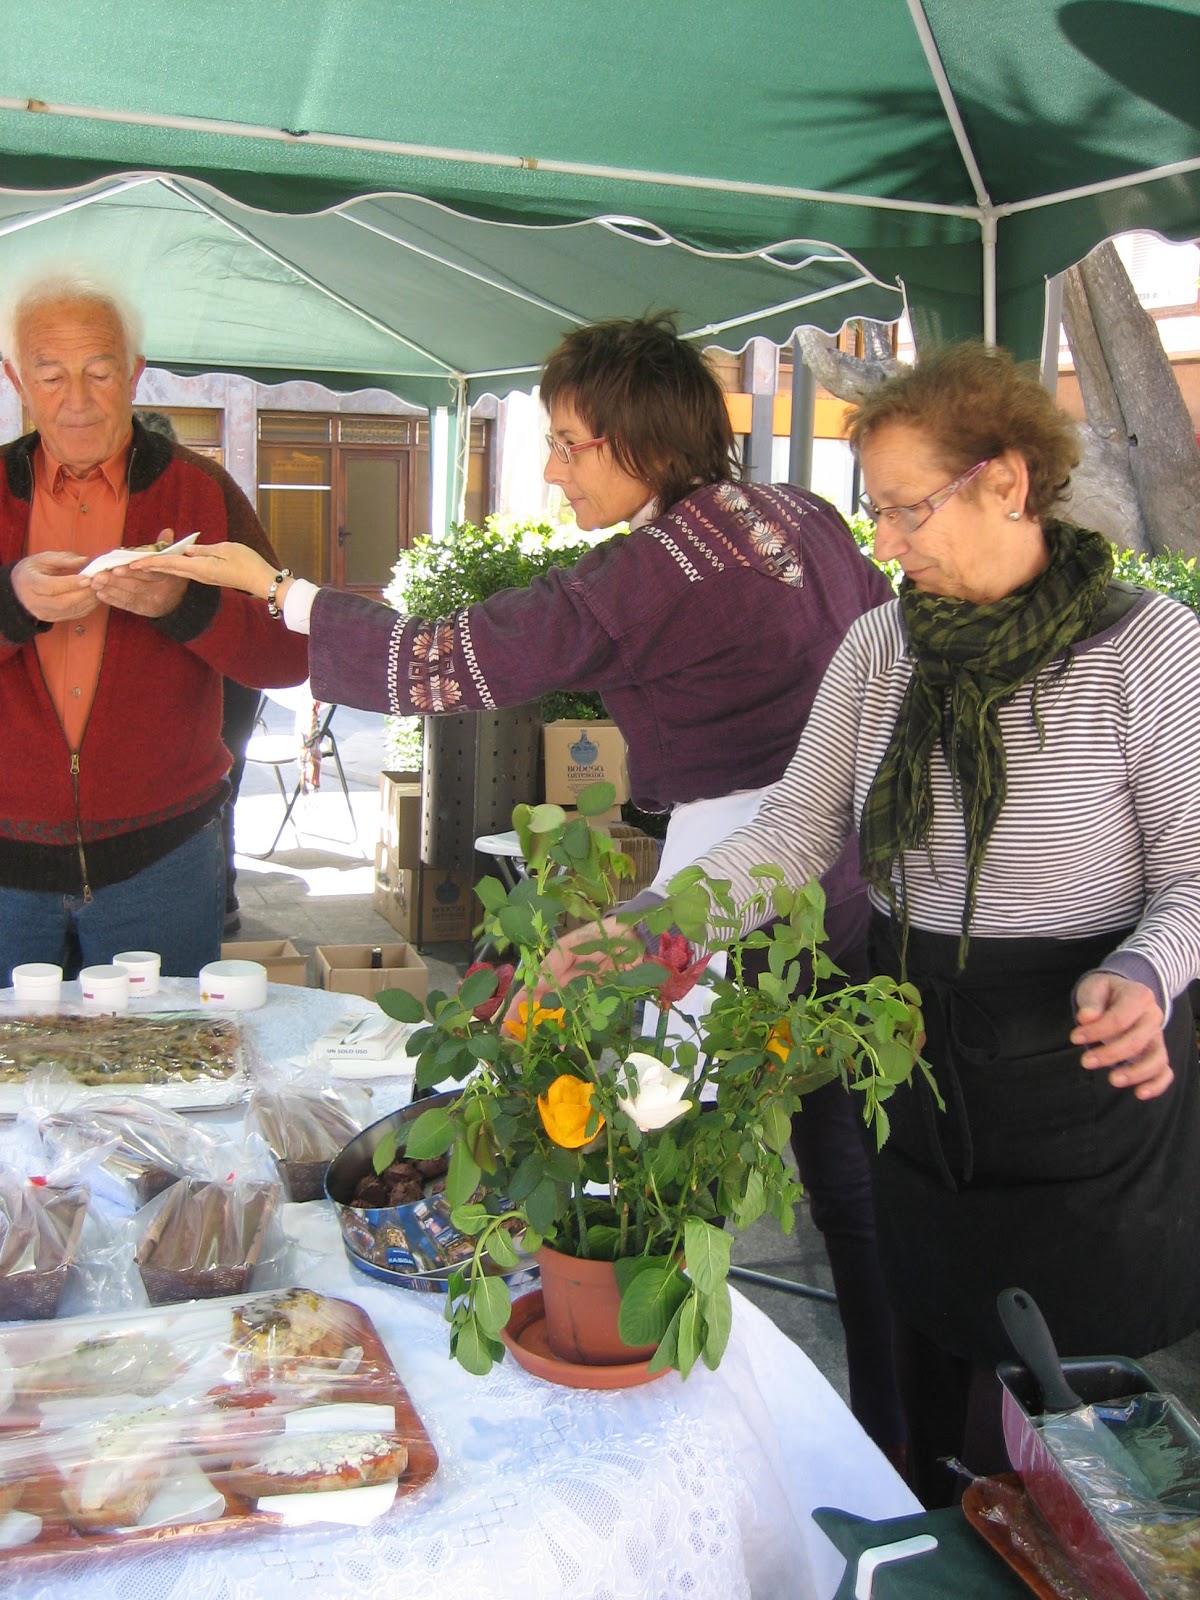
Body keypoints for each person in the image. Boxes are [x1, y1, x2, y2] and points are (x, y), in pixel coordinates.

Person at [139, 313, 906, 1459]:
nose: (551, 467)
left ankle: (689, 1423)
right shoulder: (799, 512)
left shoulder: (643, 572)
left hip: (742, 864)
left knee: (670, 1135)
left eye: (568, 442)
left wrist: (278, 587)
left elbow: (439, 661)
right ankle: (895, 1434)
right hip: (861, 854)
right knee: (852, 1171)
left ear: (639, 445)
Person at [541, 341, 1200, 1506]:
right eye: (877, 514)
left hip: (1078, 1061)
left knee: (1071, 1414)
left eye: (907, 510)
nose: (883, 545)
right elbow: (796, 834)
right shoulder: (883, 647)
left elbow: (1194, 871)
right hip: (913, 1051)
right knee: (925, 1355)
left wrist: (1147, 973)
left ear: (1006, 481)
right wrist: (654, 920)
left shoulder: (1147, 648)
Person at [0, 273, 308, 983]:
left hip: (162, 860)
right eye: (50, 374)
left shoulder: (196, 491)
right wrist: (13, 601)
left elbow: (285, 654)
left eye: (100, 371)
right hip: (6, 863)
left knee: (163, 1071)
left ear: (134, 373)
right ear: (18, 378)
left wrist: (183, 604)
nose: (77, 398)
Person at [137, 410, 263, 936]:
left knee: (216, 784)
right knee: (217, 786)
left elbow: (265, 619)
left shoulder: (206, 499)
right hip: (212, 685)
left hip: (229, 678)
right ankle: (223, 895)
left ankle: (222, 896)